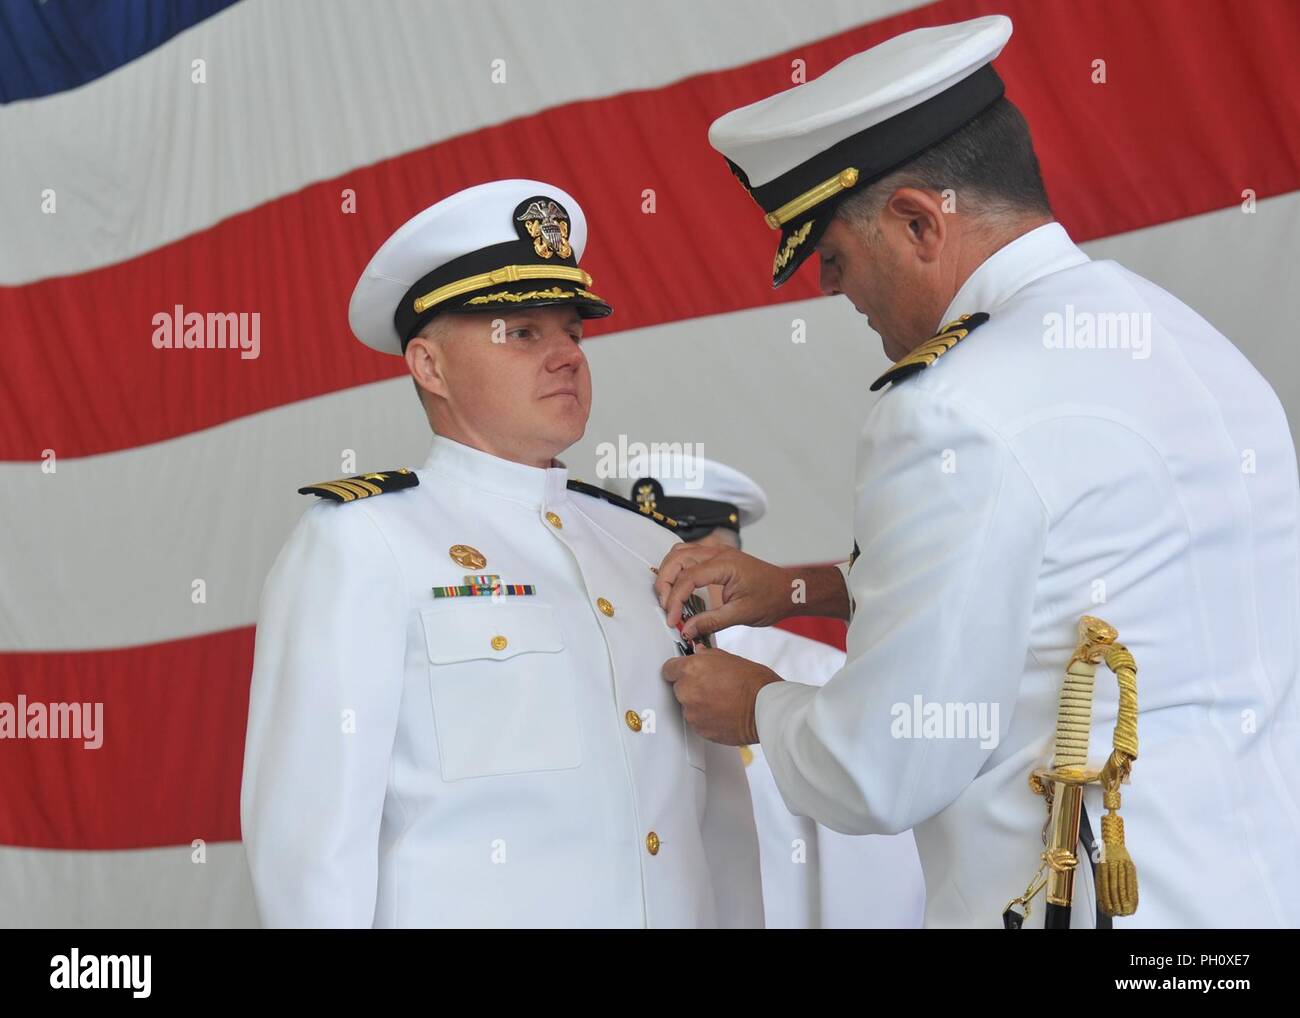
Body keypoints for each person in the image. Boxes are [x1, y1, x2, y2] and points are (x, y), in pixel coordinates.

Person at [657, 14, 1300, 927]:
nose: (844, 301)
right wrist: (799, 588)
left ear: (919, 222)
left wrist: (760, 705)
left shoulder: (949, 408)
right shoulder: (1185, 344)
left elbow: (884, 767)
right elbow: (1062, 582)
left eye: (835, 264)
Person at [241, 178, 762, 928]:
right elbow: (313, 844)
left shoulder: (651, 550)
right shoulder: (362, 540)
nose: (566, 358)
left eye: (573, 334)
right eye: (522, 333)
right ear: (429, 366)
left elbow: (720, 825)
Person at [630, 454, 925, 928]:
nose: (665, 578)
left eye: (687, 561)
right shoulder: (613, 666)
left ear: (728, 559)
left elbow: (876, 860)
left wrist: (759, 709)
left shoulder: (822, 673)